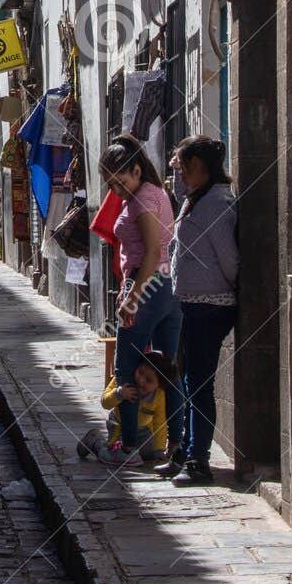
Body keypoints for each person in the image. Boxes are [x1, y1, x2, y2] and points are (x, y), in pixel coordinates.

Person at [97, 134, 183, 467]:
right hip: (167, 284)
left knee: (126, 366)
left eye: (121, 181)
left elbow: (149, 252)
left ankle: (128, 446)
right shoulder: (155, 193)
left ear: (136, 169)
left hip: (148, 284)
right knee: (169, 368)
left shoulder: (143, 199)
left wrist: (132, 298)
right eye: (111, 185)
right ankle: (176, 443)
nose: (117, 190)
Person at [160, 136, 239, 485]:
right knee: (189, 379)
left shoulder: (216, 204)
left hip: (211, 306)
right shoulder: (197, 201)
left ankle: (198, 460)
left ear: (198, 166)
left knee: (199, 384)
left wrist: (224, 285)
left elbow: (229, 258)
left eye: (181, 167)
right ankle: (186, 450)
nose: (177, 175)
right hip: (192, 304)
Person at [78, 350, 172, 464]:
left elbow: (160, 422)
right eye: (140, 372)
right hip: (119, 425)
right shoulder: (124, 379)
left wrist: (159, 450)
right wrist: (119, 393)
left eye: (149, 380)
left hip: (144, 430)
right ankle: (94, 440)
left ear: (159, 385)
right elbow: (105, 402)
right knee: (113, 455)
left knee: (149, 455)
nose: (141, 380)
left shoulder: (159, 395)